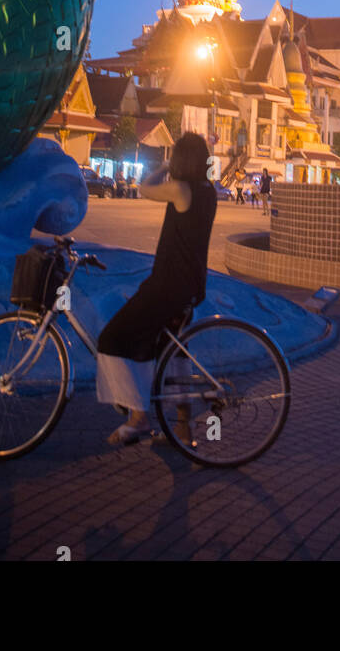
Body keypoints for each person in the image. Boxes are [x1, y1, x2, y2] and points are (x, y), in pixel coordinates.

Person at [96, 132, 216, 446]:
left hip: (167, 286)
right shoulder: (209, 191)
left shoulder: (180, 189)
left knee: (111, 338)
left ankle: (137, 416)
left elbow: (142, 188)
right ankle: (182, 429)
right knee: (173, 353)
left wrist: (163, 165)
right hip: (191, 287)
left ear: (180, 159)